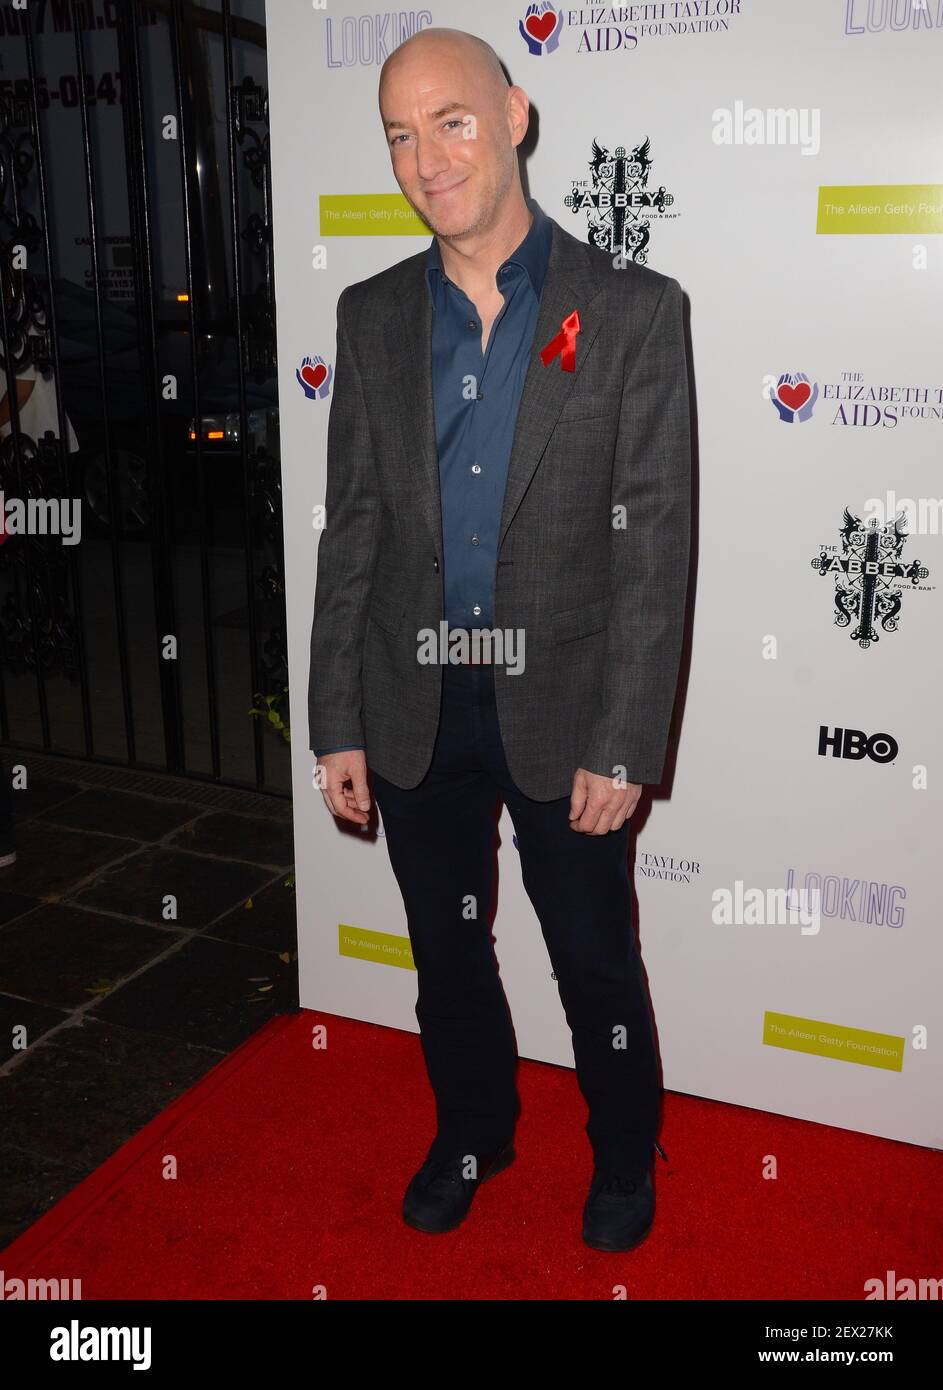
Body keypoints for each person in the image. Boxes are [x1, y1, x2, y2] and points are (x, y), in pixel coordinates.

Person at [307, 27, 692, 1252]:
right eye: (400, 136)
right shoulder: (368, 318)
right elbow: (352, 530)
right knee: (446, 953)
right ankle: (475, 1129)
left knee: (592, 956)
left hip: (565, 706)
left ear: (515, 115)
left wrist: (625, 743)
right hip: (415, 698)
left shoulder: (631, 313)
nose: (426, 159)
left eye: (452, 122)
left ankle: (624, 1149)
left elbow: (654, 552)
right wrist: (335, 722)